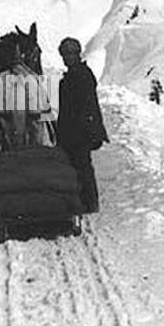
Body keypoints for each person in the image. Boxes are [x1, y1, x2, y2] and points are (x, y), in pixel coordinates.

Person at [57, 37, 108, 213]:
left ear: (77, 54)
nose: (67, 58)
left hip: (79, 131)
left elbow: (85, 106)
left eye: (70, 54)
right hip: (75, 130)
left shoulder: (80, 76)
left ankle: (89, 201)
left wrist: (81, 130)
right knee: (80, 165)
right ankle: (85, 200)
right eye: (65, 54)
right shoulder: (78, 74)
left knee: (82, 165)